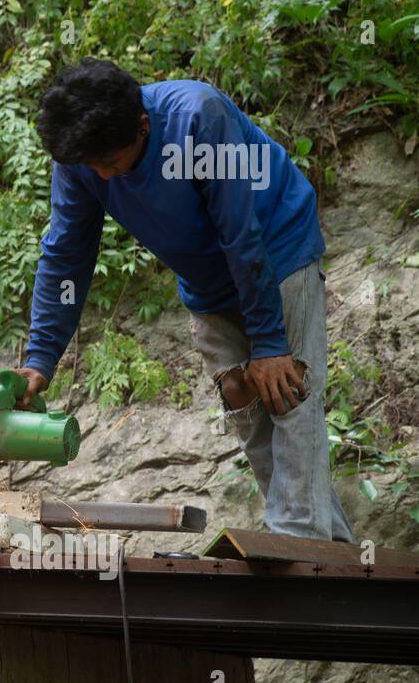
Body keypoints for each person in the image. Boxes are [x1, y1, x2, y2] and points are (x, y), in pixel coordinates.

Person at [17, 57, 354, 542]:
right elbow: (66, 253)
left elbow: (242, 235)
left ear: (143, 125)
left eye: (113, 163)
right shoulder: (81, 159)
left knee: (288, 393)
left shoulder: (198, 117)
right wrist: (40, 358)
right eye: (95, 168)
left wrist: (270, 342)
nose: (106, 178)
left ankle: (295, 547)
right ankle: (328, 549)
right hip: (207, 281)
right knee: (244, 400)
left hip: (276, 251)